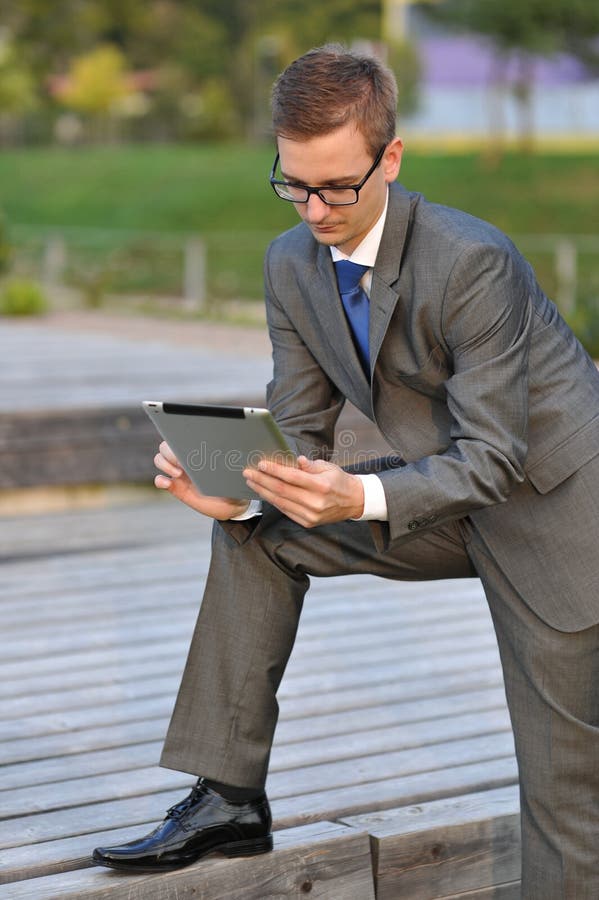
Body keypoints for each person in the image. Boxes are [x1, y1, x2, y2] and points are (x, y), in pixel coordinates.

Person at [93, 45, 599, 896]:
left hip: (554, 509)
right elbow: (296, 424)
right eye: (294, 184)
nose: (315, 209)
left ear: (389, 158)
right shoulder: (289, 263)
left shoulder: (471, 259)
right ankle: (227, 797)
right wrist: (235, 489)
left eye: (337, 187)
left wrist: (357, 493)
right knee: (258, 535)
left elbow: (494, 457)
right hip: (438, 493)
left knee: (564, 796)